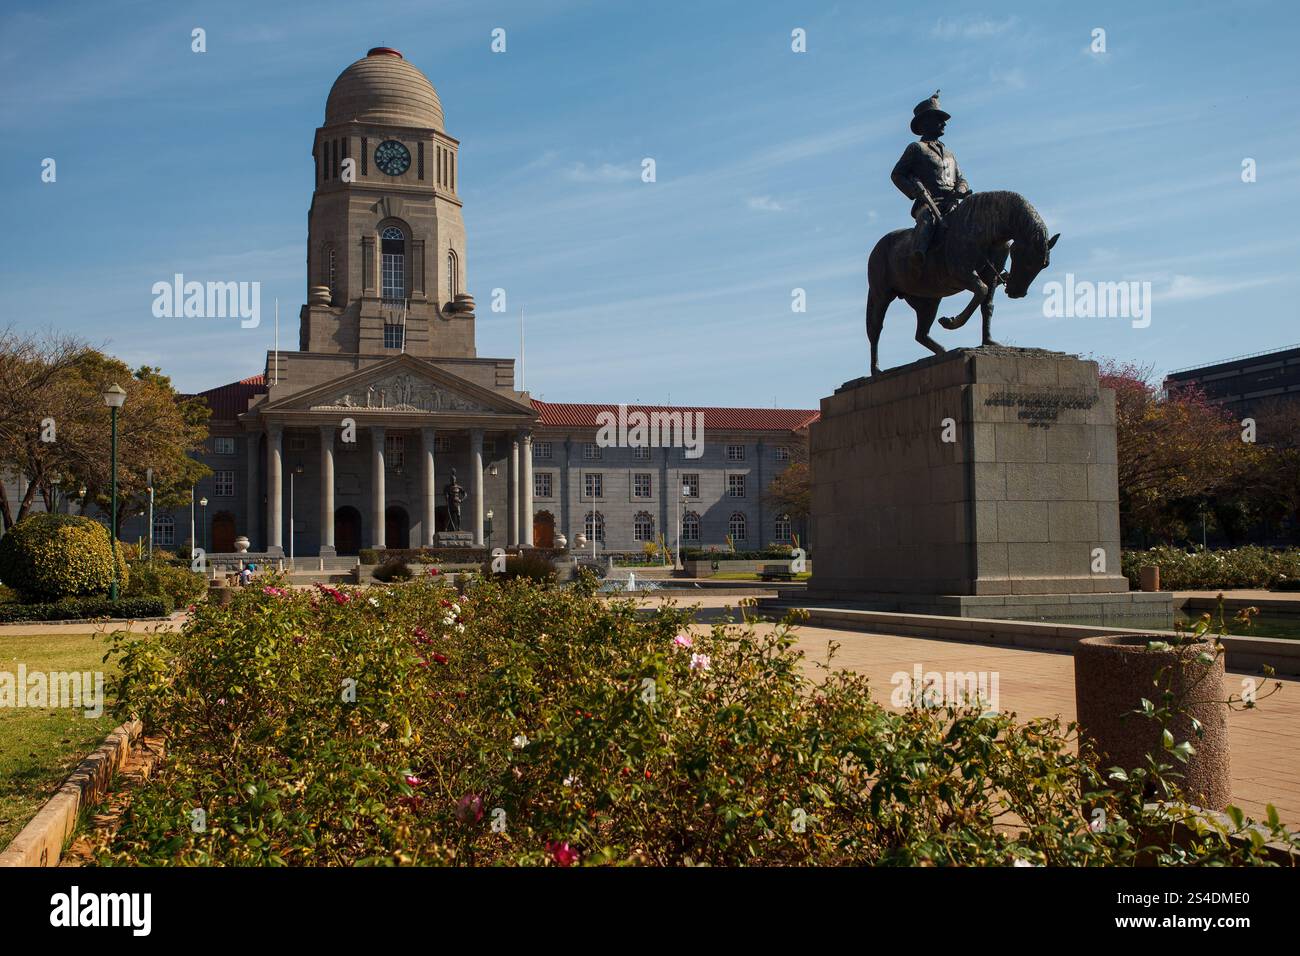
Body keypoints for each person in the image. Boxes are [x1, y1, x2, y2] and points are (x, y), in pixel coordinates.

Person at [890, 90, 971, 272]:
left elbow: (961, 178)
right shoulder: (916, 148)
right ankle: (918, 255)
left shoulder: (950, 153)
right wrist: (914, 191)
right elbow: (897, 174)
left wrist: (962, 188)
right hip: (928, 203)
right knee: (928, 220)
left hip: (952, 204)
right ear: (925, 123)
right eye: (938, 119)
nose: (943, 123)